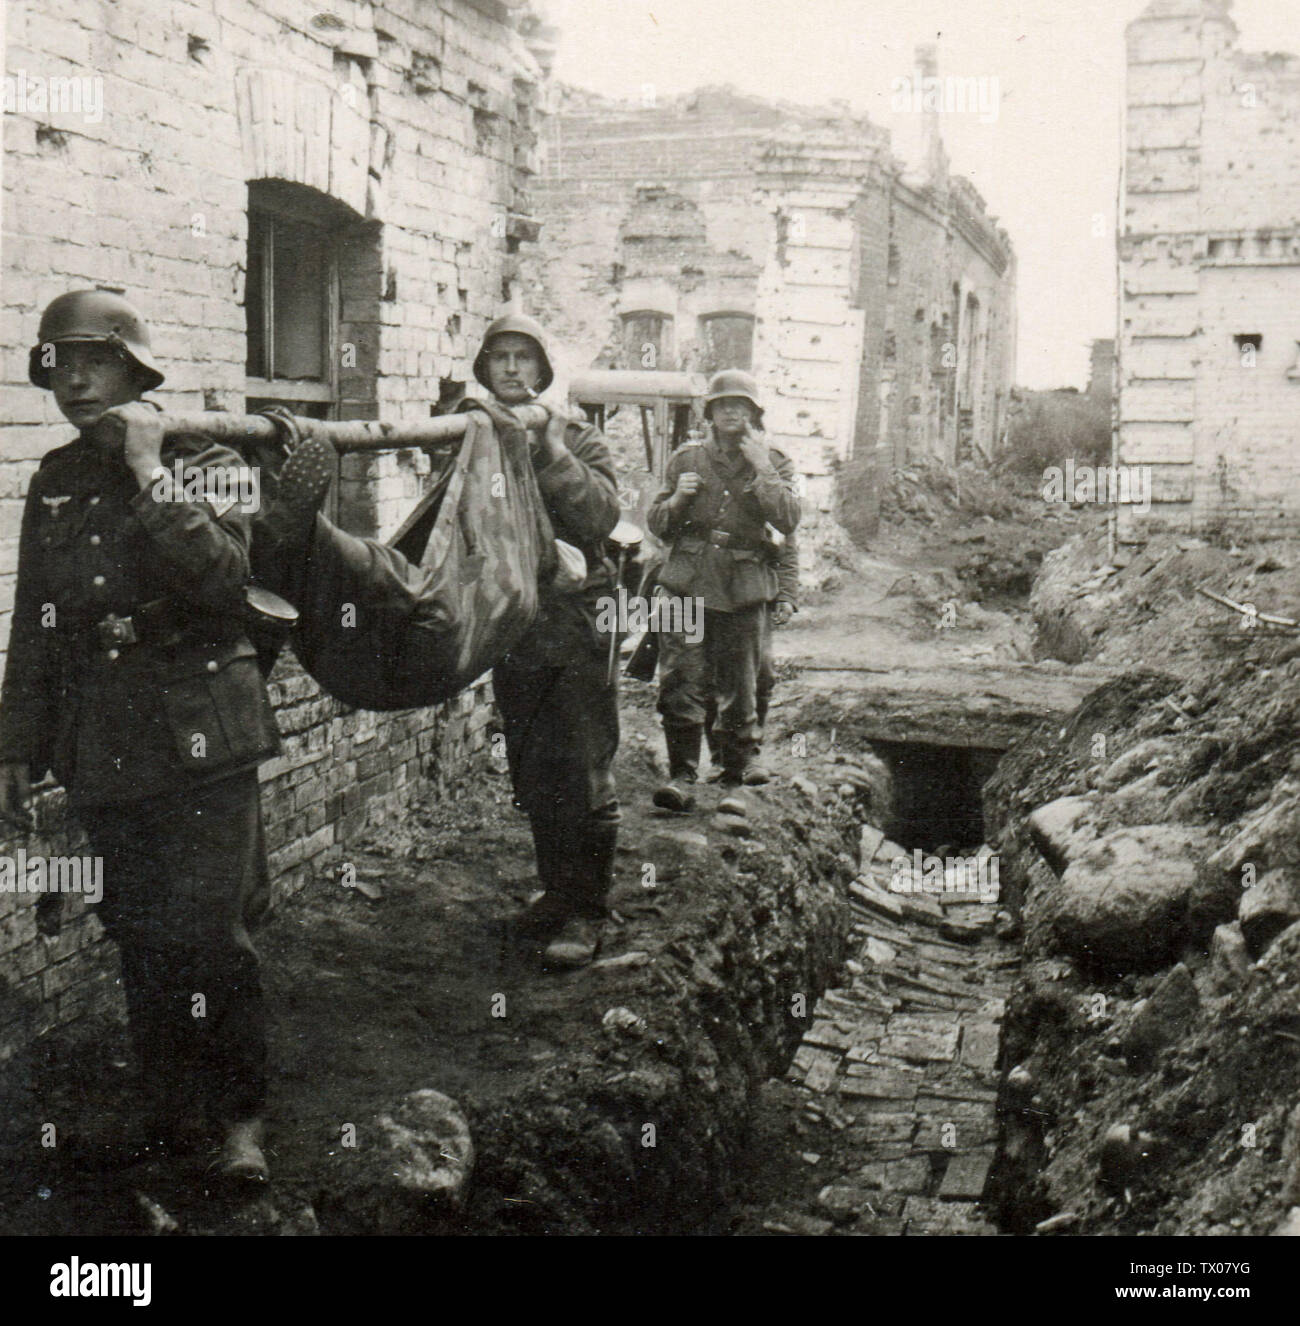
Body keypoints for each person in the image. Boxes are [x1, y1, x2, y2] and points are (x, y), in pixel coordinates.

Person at [0, 290, 294, 1182]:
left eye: (92, 361)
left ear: (135, 369)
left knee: (210, 933)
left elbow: (225, 576)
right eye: (57, 364)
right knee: (137, 928)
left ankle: (239, 1116)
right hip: (107, 734)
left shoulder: (212, 458)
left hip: (201, 721)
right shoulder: (54, 479)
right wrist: (17, 744)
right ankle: (169, 1109)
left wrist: (148, 471)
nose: (74, 379)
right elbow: (37, 619)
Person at [470, 314, 623, 969]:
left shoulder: (579, 437)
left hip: (579, 621)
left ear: (541, 370)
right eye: (499, 357)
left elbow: (602, 515)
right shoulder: (475, 437)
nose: (510, 368)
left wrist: (552, 451)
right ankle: (555, 893)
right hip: (517, 624)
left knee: (582, 762)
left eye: (522, 358)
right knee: (533, 767)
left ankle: (588, 912)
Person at [648, 370, 801, 810]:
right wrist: (676, 500)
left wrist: (763, 469)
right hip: (687, 583)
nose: (732, 411)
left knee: (742, 684)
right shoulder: (686, 460)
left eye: (741, 405)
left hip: (743, 586)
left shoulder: (774, 460)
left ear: (754, 414)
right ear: (709, 412)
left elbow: (789, 521)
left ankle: (733, 780)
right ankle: (681, 777)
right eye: (723, 404)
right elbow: (656, 526)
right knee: (680, 678)